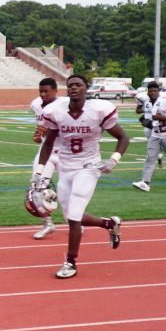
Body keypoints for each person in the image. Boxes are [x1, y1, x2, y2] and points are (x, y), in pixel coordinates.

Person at [34, 74, 128, 279]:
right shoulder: (55, 111)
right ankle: (110, 224)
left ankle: (70, 261)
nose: (74, 88)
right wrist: (39, 172)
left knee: (75, 215)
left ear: (86, 88)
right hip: (65, 167)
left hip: (89, 166)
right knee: (71, 217)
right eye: (70, 85)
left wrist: (113, 159)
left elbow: (123, 137)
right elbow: (48, 143)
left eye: (78, 85)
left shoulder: (98, 110)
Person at [30, 78, 67, 240]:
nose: (43, 94)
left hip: (66, 153)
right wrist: (38, 136)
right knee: (37, 188)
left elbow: (70, 130)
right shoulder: (36, 105)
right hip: (47, 153)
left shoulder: (65, 104)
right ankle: (48, 223)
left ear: (55, 91)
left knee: (68, 191)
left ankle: (75, 221)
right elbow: (40, 133)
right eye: (41, 91)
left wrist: (52, 131)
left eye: (47, 91)